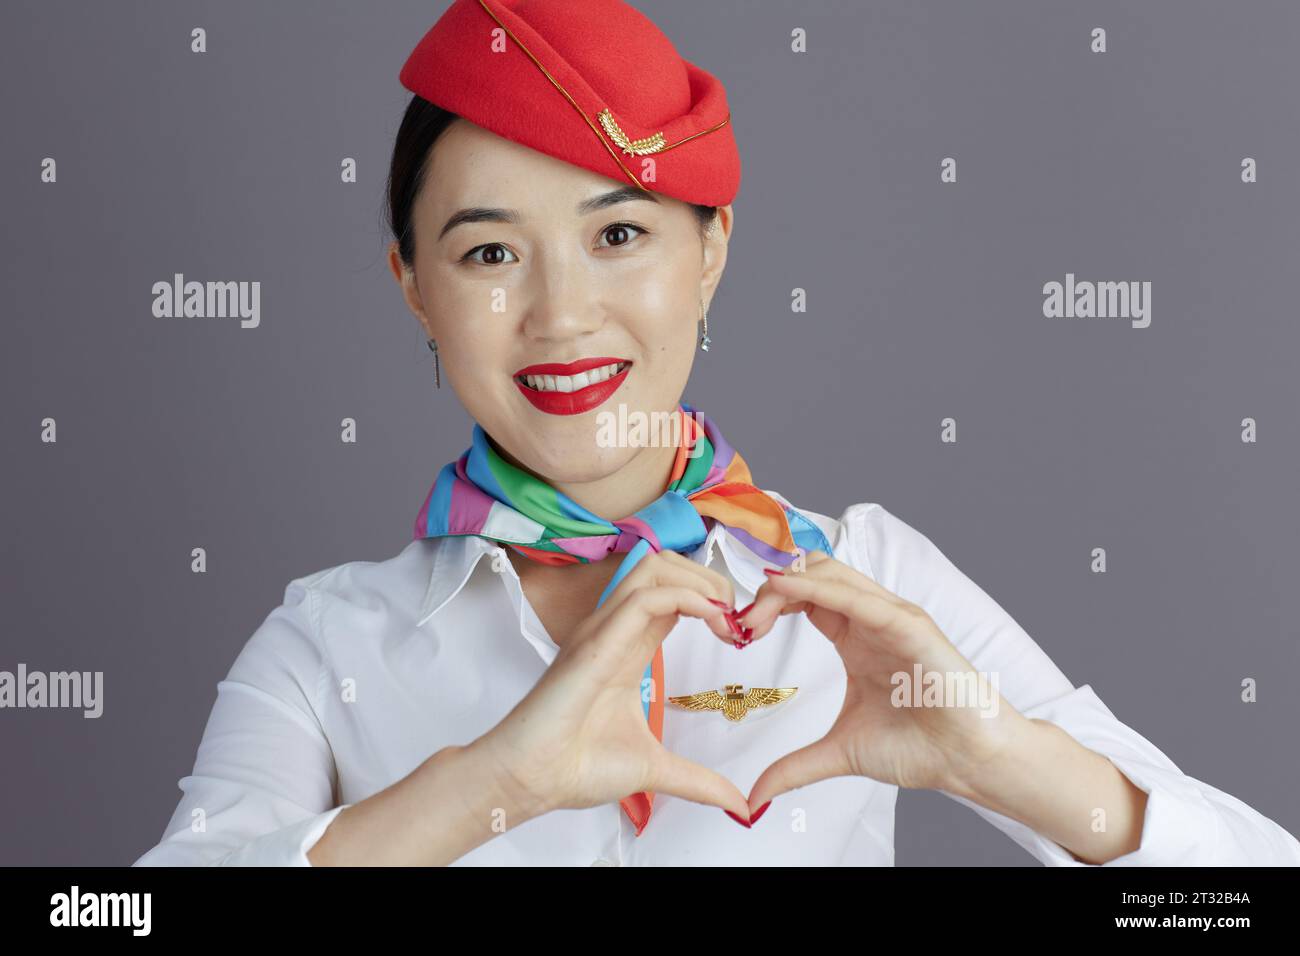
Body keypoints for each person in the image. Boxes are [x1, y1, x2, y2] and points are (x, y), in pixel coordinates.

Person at [134, 0, 1300, 867]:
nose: (561, 313)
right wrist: (487, 783)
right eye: (490, 252)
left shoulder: (867, 584)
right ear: (411, 286)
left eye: (620, 234)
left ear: (713, 252)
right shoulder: (325, 641)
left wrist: (1007, 764)